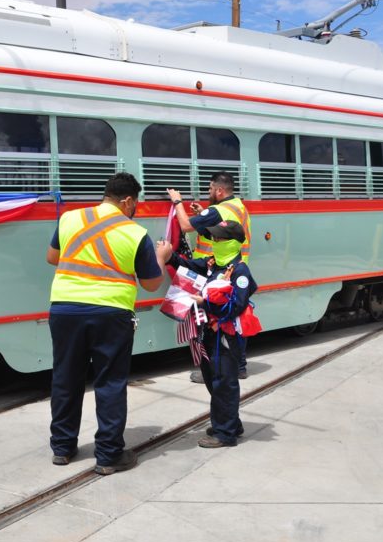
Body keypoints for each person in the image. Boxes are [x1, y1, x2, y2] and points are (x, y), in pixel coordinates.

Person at [46, 172, 163, 475]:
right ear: (126, 201)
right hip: (111, 313)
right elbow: (152, 284)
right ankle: (109, 455)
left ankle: (62, 447)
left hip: (65, 308)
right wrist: (162, 256)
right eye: (135, 203)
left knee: (65, 377)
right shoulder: (135, 233)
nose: (135, 208)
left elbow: (52, 257)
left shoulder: (70, 218)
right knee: (109, 382)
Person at [155, 221, 258, 448]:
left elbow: (237, 306)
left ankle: (225, 434)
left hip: (226, 336)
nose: (215, 243)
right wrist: (170, 255)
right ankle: (230, 423)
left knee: (224, 382)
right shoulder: (212, 264)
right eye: (214, 239)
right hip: (208, 334)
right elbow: (188, 265)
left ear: (233, 242)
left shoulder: (240, 271)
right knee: (213, 379)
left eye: (220, 239)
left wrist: (206, 302)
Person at [167, 172, 252, 379]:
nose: (209, 192)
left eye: (210, 189)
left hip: (217, 271)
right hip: (231, 266)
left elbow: (186, 226)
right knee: (233, 320)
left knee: (213, 321)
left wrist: (177, 201)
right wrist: (204, 213)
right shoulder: (237, 205)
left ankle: (217, 370)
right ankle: (238, 366)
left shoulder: (218, 210)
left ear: (219, 190)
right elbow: (222, 227)